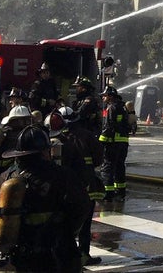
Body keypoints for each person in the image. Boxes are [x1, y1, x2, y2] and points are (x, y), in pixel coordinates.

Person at [0, 125, 88, 272]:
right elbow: (81, 207)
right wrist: (65, 231)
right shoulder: (62, 175)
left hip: (18, 257)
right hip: (55, 254)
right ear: (45, 151)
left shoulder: (5, 177)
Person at [51, 106, 104, 266]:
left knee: (64, 221)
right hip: (87, 185)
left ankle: (63, 253)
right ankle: (83, 254)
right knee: (85, 223)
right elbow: (99, 159)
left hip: (65, 187)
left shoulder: (57, 138)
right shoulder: (87, 136)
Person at [98, 85, 131, 201]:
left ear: (110, 97)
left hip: (113, 143)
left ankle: (108, 193)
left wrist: (101, 141)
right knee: (119, 167)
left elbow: (109, 125)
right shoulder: (123, 107)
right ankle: (120, 192)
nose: (103, 98)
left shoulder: (111, 107)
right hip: (123, 143)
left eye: (105, 96)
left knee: (107, 168)